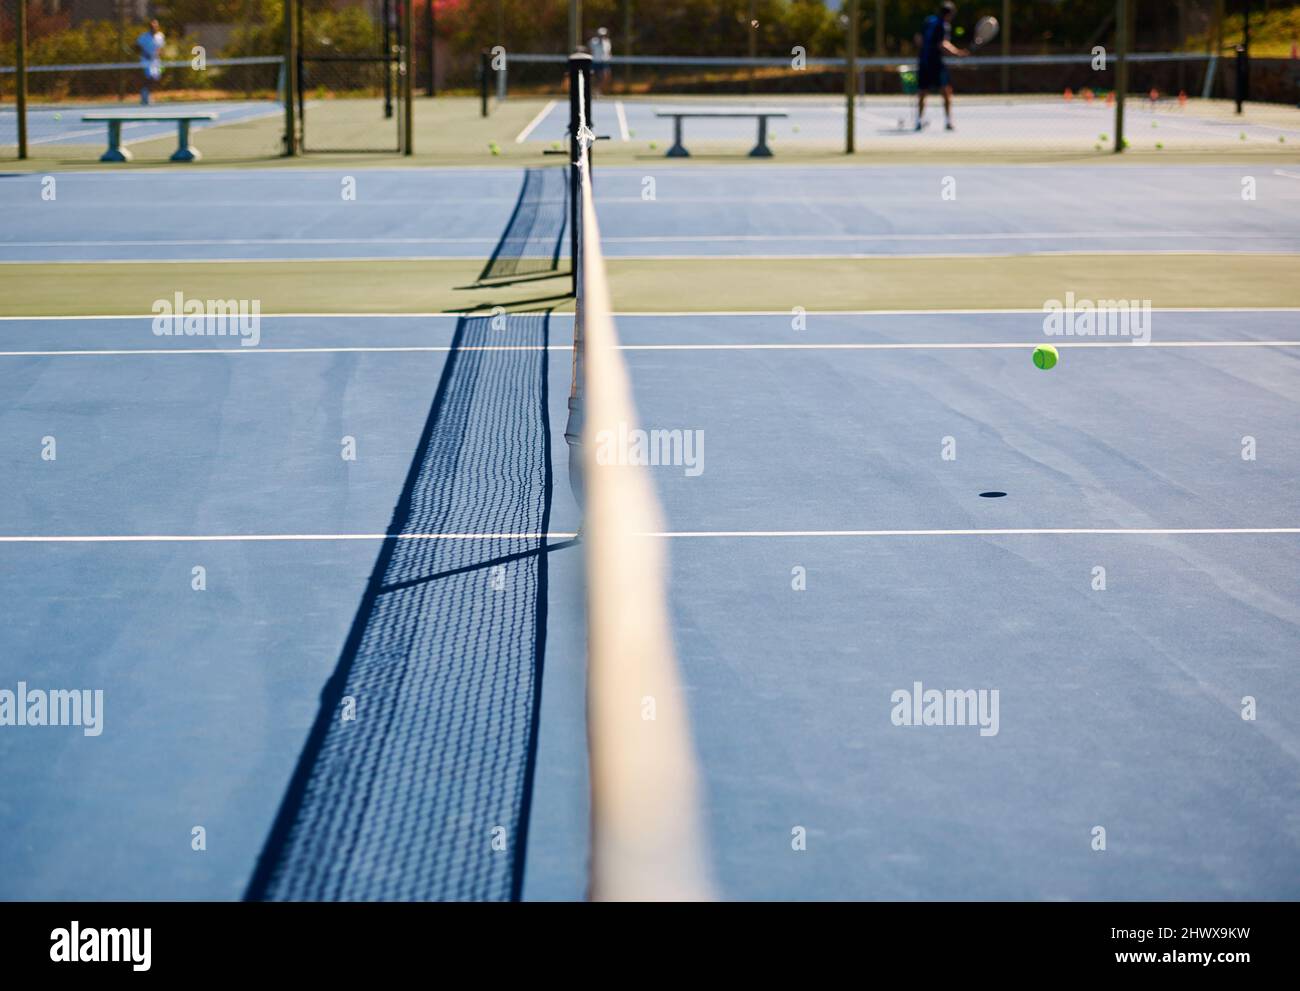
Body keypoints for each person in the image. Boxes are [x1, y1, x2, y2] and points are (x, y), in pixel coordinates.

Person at [914, 2, 967, 131]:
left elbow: (918, 39)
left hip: (923, 62)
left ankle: (919, 121)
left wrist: (925, 52)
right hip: (936, 63)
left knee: (922, 92)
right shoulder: (944, 25)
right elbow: (943, 44)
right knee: (946, 91)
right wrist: (958, 53)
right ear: (949, 14)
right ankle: (948, 121)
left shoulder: (928, 21)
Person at [136, 19, 165, 106]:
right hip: (146, 60)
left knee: (156, 78)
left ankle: (145, 92)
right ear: (150, 27)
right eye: (152, 26)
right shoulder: (143, 37)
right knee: (149, 77)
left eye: (156, 26)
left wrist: (158, 53)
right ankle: (145, 95)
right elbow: (137, 47)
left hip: (156, 60)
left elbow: (161, 48)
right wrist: (145, 54)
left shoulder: (160, 36)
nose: (154, 28)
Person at [588, 26, 612, 94]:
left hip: (603, 62)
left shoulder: (607, 42)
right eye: (600, 35)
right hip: (594, 62)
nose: (602, 36)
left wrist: (608, 57)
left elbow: (609, 52)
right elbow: (590, 51)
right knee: (592, 77)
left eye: (603, 35)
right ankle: (592, 90)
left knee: (605, 76)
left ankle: (598, 90)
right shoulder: (593, 41)